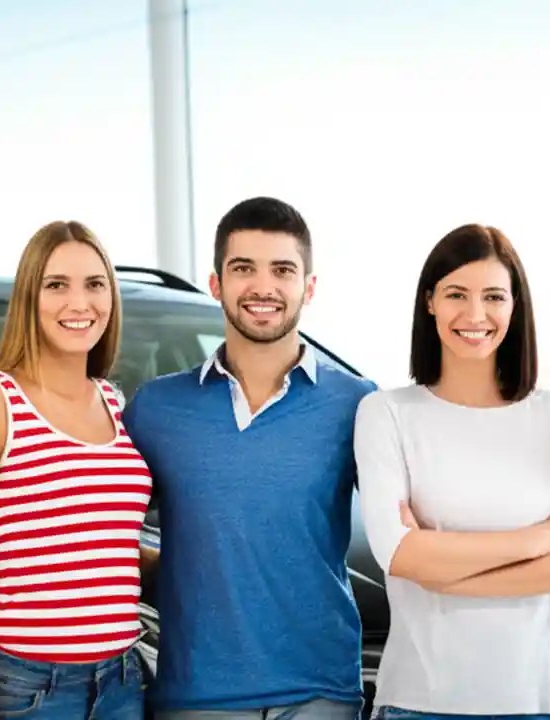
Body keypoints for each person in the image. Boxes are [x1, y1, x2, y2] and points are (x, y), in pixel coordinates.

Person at [122, 197, 375, 720]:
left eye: (282, 270)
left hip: (321, 694)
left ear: (308, 286)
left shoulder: (357, 404)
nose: (263, 287)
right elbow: (102, 527)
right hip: (195, 697)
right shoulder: (155, 409)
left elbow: (415, 525)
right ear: (216, 284)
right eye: (243, 269)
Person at [354, 223, 550, 720]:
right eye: (456, 294)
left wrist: (444, 573)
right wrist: (538, 539)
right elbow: (397, 552)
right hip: (421, 703)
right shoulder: (385, 413)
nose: (475, 315)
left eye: (494, 296)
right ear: (429, 302)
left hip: (549, 703)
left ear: (516, 306)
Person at [0, 221, 151, 720]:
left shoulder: (115, 404)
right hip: (24, 687)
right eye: (57, 285)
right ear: (30, 297)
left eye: (95, 284)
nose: (80, 303)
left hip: (121, 682)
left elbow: (99, 537)